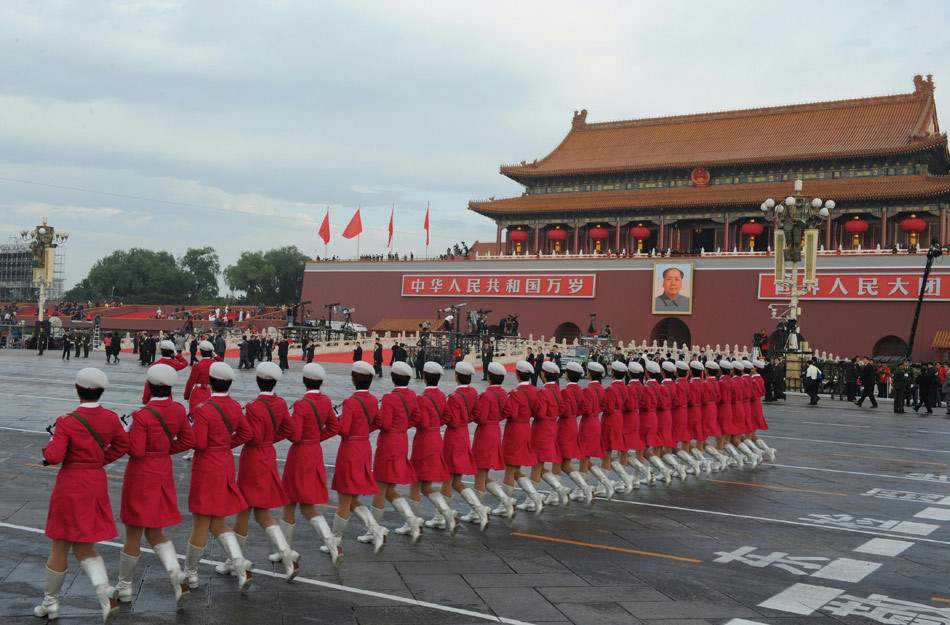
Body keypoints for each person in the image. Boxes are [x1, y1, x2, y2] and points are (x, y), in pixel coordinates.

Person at [36, 368, 130, 624]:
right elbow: (123, 445)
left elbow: (54, 456)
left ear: (77, 390)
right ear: (101, 391)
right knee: (85, 545)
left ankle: (51, 602)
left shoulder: (67, 421)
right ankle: (105, 591)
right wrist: (99, 460)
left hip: (71, 484)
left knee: (60, 544)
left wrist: (49, 446)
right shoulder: (111, 418)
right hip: (95, 481)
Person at [116, 364, 194, 608]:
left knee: (133, 532)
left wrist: (125, 433)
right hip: (162, 471)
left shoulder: (142, 415)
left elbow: (137, 450)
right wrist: (164, 450)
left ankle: (125, 587)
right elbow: (189, 439)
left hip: (141, 474)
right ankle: (176, 574)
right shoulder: (178, 410)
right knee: (156, 532)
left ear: (149, 386)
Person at [184, 362, 254, 593]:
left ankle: (191, 574)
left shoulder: (203, 409)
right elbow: (246, 433)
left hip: (206, 467)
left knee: (200, 523)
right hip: (225, 463)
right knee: (218, 522)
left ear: (210, 382)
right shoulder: (234, 406)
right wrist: (225, 445)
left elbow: (200, 443)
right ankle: (239, 564)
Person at [227, 362, 300, 582]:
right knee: (263, 513)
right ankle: (287, 554)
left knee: (243, 510)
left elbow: (250, 435)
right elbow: (288, 429)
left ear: (257, 380)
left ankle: (234, 561)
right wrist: (270, 440)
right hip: (268, 455)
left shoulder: (253, 406)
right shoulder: (280, 403)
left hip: (253, 458)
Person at [276, 363, 342, 566]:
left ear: (304, 381)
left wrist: (284, 426)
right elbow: (334, 426)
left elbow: (295, 435)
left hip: (300, 455)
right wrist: (316, 438)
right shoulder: (325, 400)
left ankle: (284, 550)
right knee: (308, 505)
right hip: (315, 452)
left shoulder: (301, 404)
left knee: (289, 502)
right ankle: (331, 541)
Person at [331, 361, 389, 554]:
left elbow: (344, 429)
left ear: (353, 379)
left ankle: (336, 541)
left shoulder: (350, 402)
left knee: (344, 498)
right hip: (364, 448)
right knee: (353, 499)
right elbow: (379, 421)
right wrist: (364, 431)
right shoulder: (372, 400)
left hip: (350, 449)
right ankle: (375, 529)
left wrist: (335, 420)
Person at [366, 361, 426, 543]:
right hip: (402, 441)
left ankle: (374, 531)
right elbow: (417, 416)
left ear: (393, 378)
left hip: (389, 443)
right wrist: (403, 426)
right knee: (390, 490)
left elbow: (384, 423)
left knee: (380, 487)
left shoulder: (389, 398)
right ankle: (412, 520)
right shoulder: (412, 395)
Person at [438, 361, 492, 530]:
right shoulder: (473, 392)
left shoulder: (454, 396)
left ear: (457, 376)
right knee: (456, 481)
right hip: (464, 435)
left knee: (447, 478)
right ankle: (479, 509)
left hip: (453, 437)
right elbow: (476, 412)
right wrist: (465, 421)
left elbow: (452, 421)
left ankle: (442, 516)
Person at [410, 362, 458, 533]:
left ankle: (411, 524)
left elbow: (421, 422)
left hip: (424, 440)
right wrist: (436, 424)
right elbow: (447, 416)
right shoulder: (441, 396)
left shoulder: (422, 398)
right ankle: (446, 513)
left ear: (424, 378)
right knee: (426, 485)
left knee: (416, 482)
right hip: (437, 437)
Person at [473, 362, 518, 519]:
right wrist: (496, 418)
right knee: (484, 474)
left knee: (479, 473)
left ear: (489, 377)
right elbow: (508, 411)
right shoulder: (503, 393)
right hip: (495, 430)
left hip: (485, 433)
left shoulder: (486, 395)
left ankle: (477, 512)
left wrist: (474, 416)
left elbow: (481, 418)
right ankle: (505, 500)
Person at [504, 361, 545, 514]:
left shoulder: (515, 393)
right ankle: (534, 497)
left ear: (517, 374)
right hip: (526, 427)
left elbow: (511, 414)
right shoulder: (534, 390)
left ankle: (506, 505)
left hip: (515, 429)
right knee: (516, 469)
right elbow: (537, 410)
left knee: (510, 468)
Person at [183, 340, 222, 416]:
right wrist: (215, 356)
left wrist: (186, 395)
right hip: (210, 391)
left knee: (196, 415)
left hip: (198, 393)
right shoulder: (214, 363)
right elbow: (221, 362)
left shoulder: (198, 365)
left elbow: (190, 382)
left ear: (201, 352)